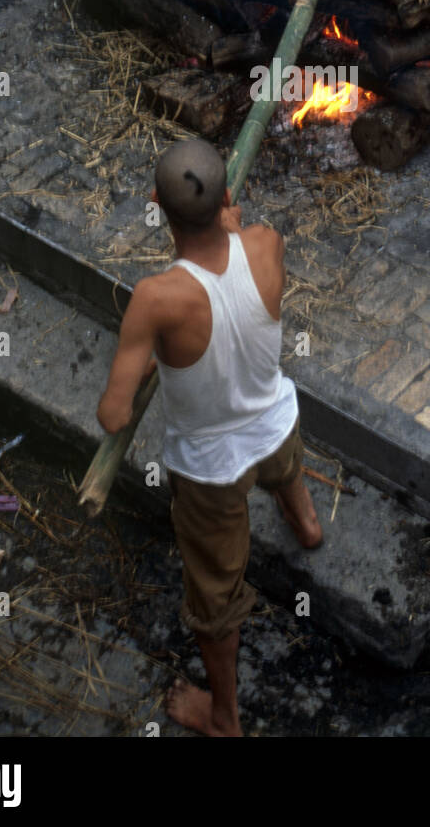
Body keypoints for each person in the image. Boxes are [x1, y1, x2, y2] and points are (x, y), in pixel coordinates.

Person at [96, 138, 322, 737]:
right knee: (280, 462)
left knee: (214, 602)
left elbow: (115, 416)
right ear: (229, 199)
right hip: (277, 423)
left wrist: (148, 354)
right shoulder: (267, 243)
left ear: (155, 207)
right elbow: (236, 302)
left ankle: (224, 719)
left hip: (212, 470)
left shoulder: (156, 300)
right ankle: (305, 524)